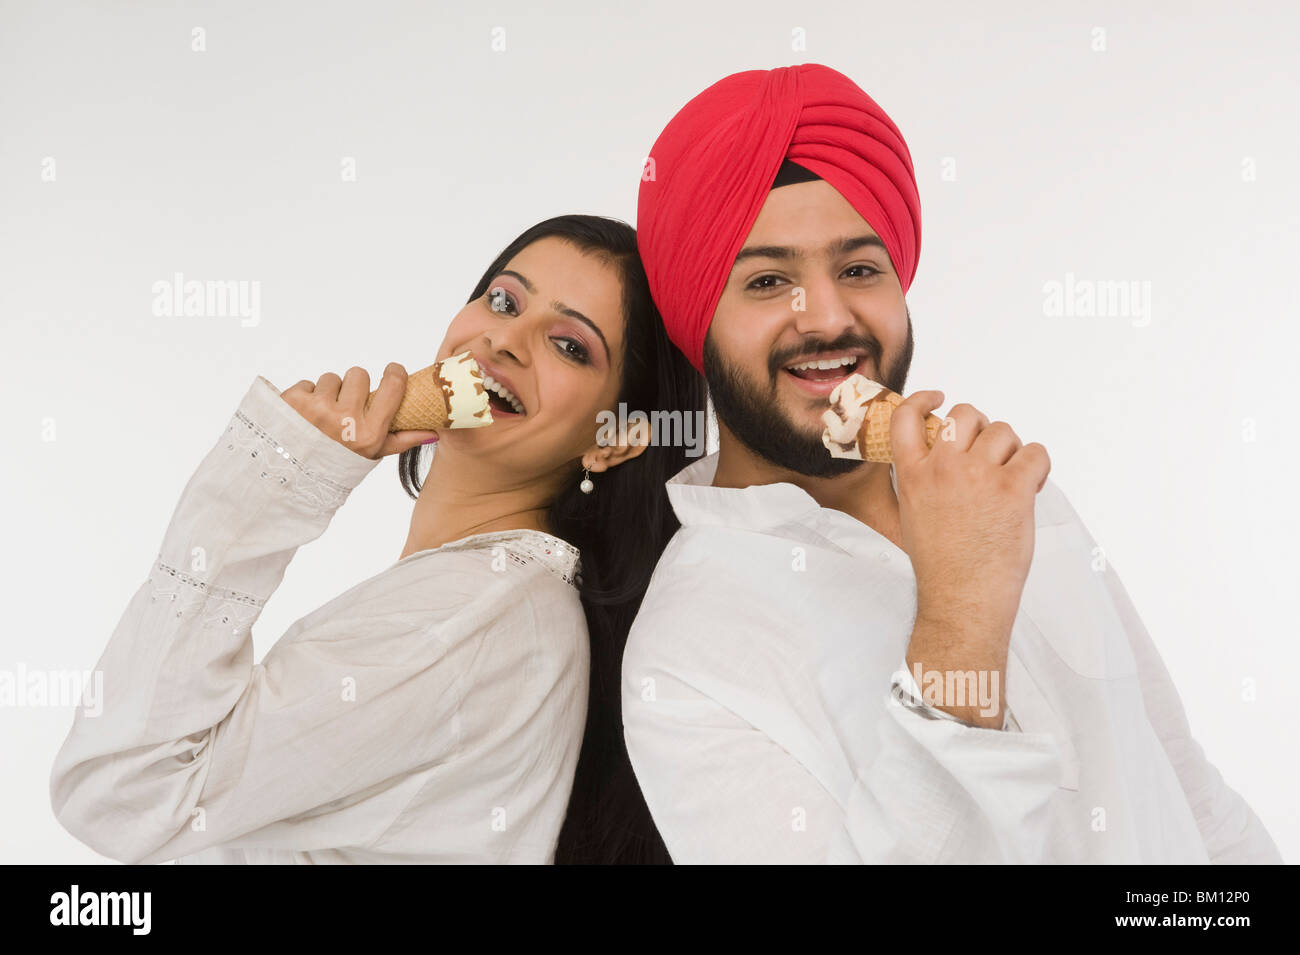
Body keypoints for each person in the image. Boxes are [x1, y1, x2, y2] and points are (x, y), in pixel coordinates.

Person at [621, 63, 1283, 863]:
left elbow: (1188, 796)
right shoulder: (687, 654)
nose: (827, 317)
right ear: (698, 318)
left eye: (860, 268)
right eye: (769, 280)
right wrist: (961, 615)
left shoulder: (1005, 488)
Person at [50, 214, 705, 864]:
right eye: (503, 299)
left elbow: (118, 790)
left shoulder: (475, 615)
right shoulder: (499, 603)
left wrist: (277, 477)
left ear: (613, 439)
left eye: (569, 345)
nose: (505, 340)